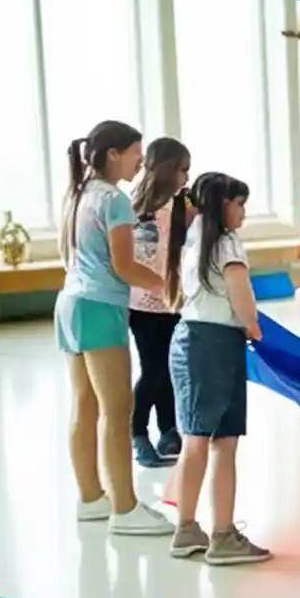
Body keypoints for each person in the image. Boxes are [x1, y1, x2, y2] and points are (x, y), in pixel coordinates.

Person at [56, 120, 175, 536]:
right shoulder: (113, 200)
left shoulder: (76, 194)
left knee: (84, 403)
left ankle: (91, 498)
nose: (140, 165)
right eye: (136, 157)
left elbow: (64, 254)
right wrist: (170, 287)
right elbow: (124, 266)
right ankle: (125, 508)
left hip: (69, 303)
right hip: (99, 307)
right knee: (116, 409)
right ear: (113, 154)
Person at [164, 172, 270, 565]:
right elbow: (241, 296)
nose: (243, 211)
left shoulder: (193, 241)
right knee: (209, 441)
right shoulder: (226, 244)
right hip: (212, 345)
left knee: (215, 439)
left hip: (201, 341)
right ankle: (213, 532)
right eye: (239, 204)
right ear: (222, 205)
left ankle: (197, 528)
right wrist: (255, 327)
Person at [128, 137, 191, 468]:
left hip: (173, 302)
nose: (185, 178)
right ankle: (138, 432)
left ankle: (169, 428)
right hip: (141, 303)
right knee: (152, 368)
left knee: (169, 368)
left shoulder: (182, 205)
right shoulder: (135, 206)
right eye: (182, 170)